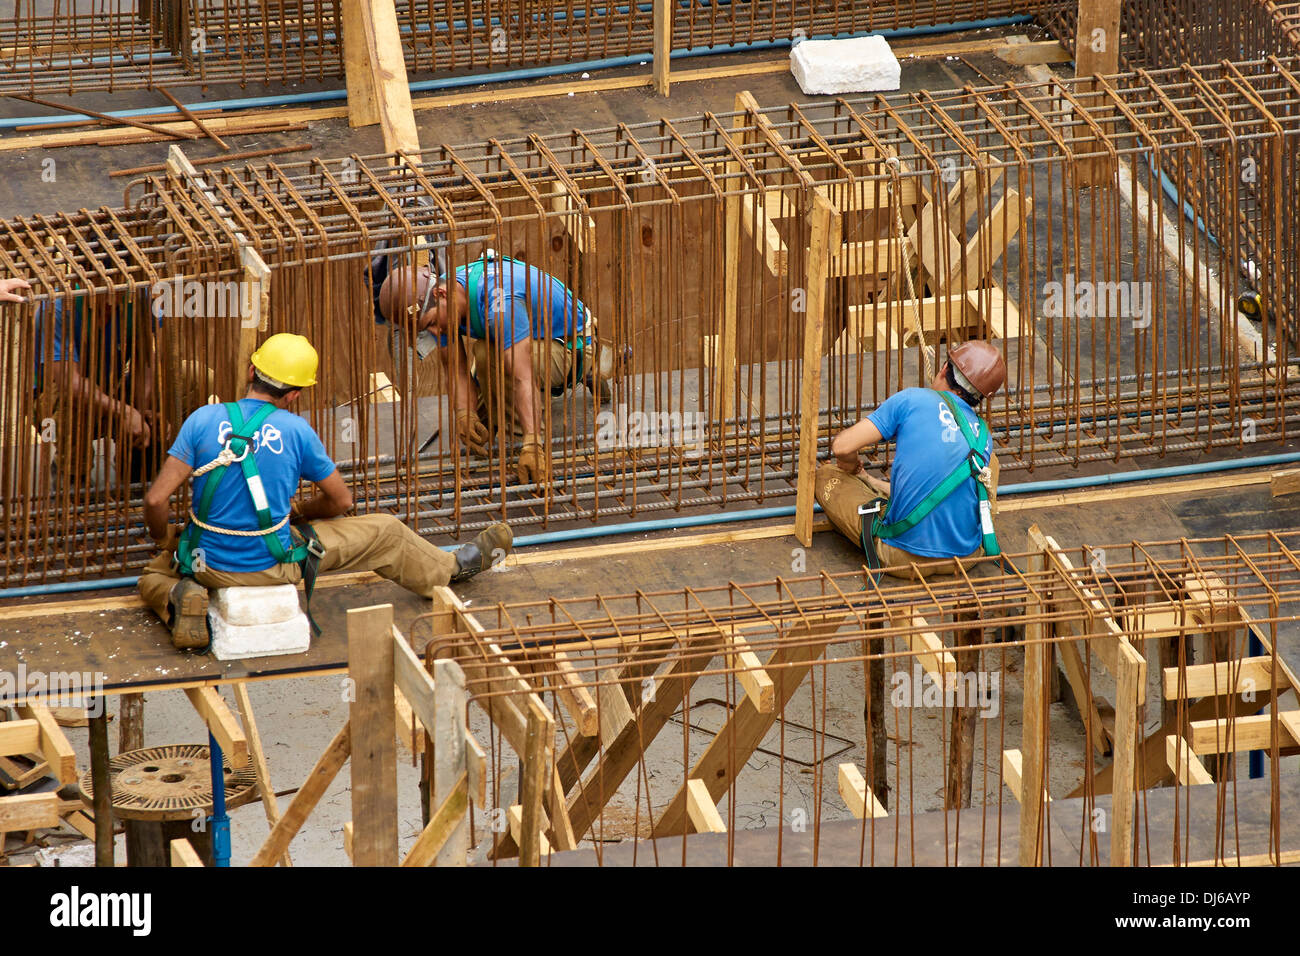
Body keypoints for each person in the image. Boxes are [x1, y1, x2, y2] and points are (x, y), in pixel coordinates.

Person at [138, 332, 513, 649]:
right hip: (275, 566)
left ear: (252, 371)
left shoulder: (202, 419)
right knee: (386, 531)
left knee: (152, 576)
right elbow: (341, 500)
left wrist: (165, 538)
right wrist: (300, 512)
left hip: (207, 566)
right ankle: (452, 569)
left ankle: (176, 597)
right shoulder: (297, 431)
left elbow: (155, 499)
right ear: (296, 395)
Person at [376, 252, 622, 487]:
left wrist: (532, 443)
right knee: (481, 414)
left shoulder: (499, 298)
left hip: (573, 343)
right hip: (529, 341)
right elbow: (456, 371)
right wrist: (465, 414)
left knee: (490, 357)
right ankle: (590, 373)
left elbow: (521, 377)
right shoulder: (442, 302)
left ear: (440, 293)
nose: (433, 332)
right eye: (424, 329)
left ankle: (518, 449)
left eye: (430, 323)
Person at [814, 340, 1006, 579]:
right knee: (987, 463)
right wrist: (868, 480)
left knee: (826, 475)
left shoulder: (912, 400)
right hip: (965, 559)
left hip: (902, 558)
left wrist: (850, 469)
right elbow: (935, 488)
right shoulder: (982, 435)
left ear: (944, 369)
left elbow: (842, 447)